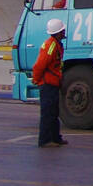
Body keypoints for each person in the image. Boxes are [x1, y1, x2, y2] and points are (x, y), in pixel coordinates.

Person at [34, 18, 68, 147]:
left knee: (54, 112)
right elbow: (39, 65)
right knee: (47, 113)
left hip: (54, 83)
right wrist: (37, 80)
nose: (64, 32)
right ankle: (44, 140)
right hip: (47, 84)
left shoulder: (57, 44)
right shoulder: (51, 46)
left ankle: (55, 138)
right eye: (62, 30)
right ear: (58, 32)